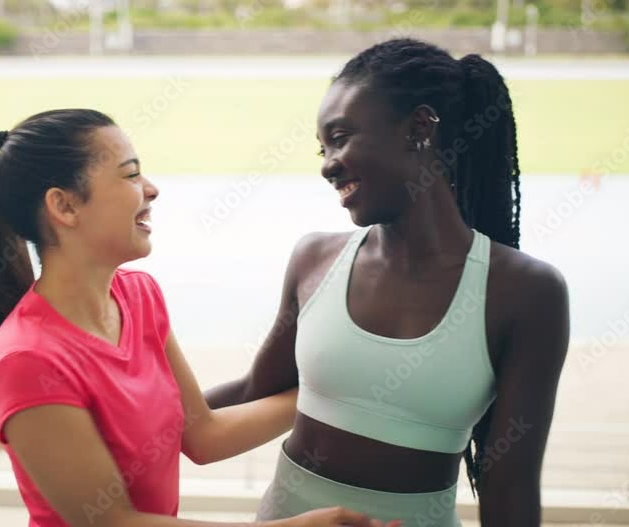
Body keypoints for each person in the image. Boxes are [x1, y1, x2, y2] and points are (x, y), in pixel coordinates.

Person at [0, 109, 399, 527]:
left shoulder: (138, 295)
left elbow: (203, 435)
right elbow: (114, 524)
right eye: (130, 174)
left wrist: (339, 391)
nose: (151, 189)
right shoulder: (28, 360)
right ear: (65, 206)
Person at [205, 39, 571, 527]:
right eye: (323, 146)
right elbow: (257, 388)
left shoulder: (527, 292)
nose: (327, 163)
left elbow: (510, 485)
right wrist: (122, 410)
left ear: (419, 128)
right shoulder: (314, 258)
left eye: (341, 137)